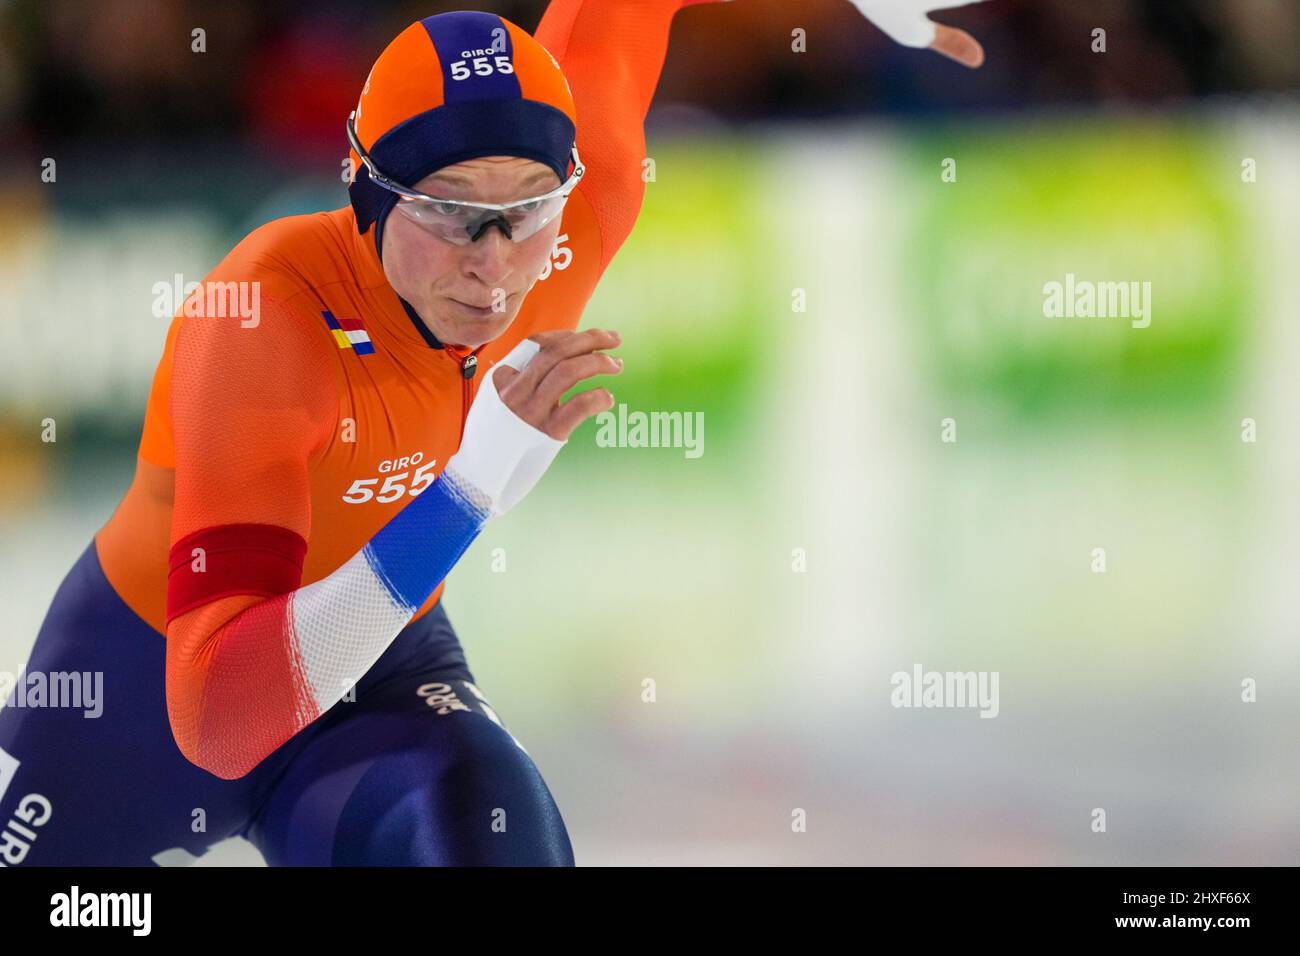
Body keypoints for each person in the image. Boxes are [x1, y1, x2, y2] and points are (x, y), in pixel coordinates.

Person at [0, 0, 989, 867]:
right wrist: (466, 493)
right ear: (366, 192)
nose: (494, 264)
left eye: (527, 210)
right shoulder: (263, 321)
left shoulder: (574, 219)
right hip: (144, 692)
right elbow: (218, 719)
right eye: (447, 210)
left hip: (377, 655)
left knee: (496, 830)